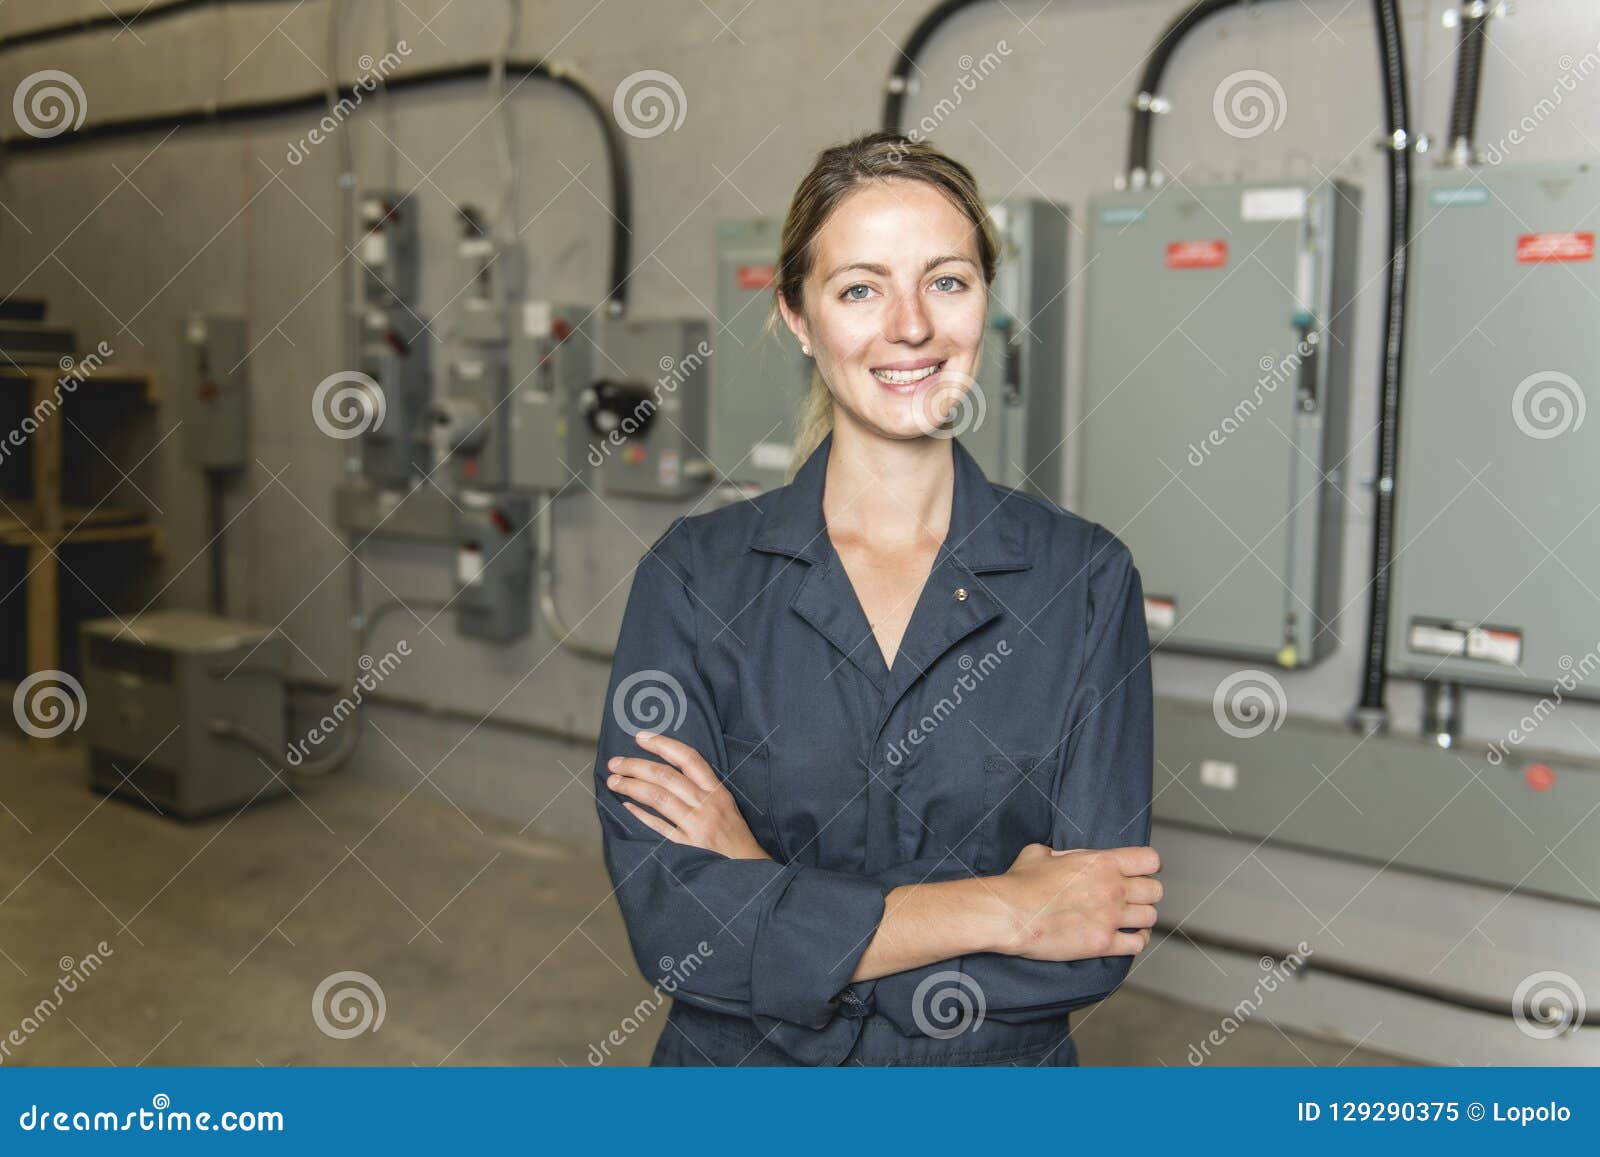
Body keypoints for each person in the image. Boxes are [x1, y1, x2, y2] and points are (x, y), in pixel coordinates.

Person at [593, 131, 1160, 1066]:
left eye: (946, 281)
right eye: (860, 288)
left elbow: (1089, 940)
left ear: (986, 300)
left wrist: (764, 889)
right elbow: (675, 926)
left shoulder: (1085, 581)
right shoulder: (696, 577)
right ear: (798, 318)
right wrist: (1005, 907)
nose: (910, 327)